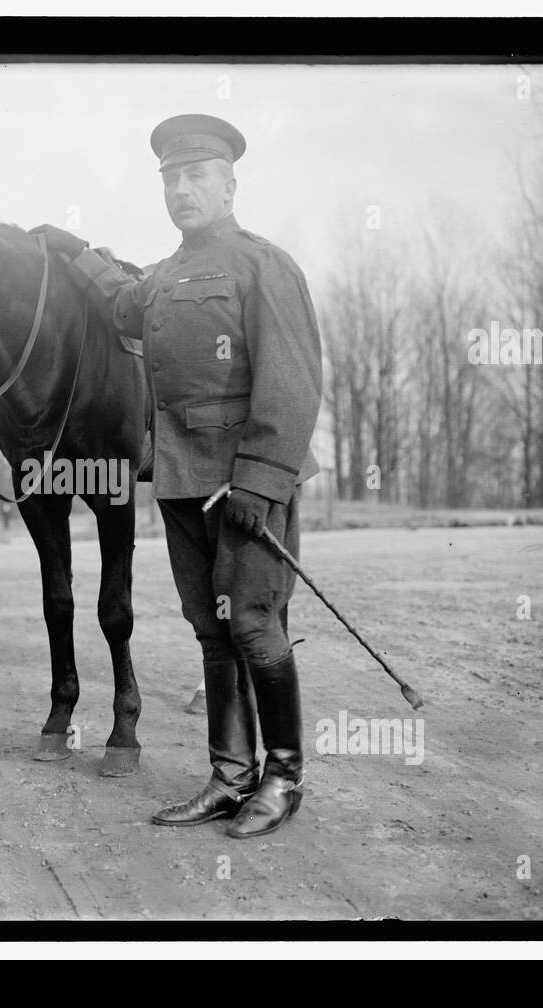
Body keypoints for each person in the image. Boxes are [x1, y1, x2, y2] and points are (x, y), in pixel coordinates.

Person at [32, 113, 323, 838]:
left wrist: (261, 480)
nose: (184, 189)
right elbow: (123, 304)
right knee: (213, 630)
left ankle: (283, 778)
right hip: (182, 480)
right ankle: (230, 778)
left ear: (229, 183)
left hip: (245, 484)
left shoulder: (264, 265)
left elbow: (292, 384)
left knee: (254, 623)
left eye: (198, 175)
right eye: (172, 178)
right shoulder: (161, 278)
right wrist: (81, 253)